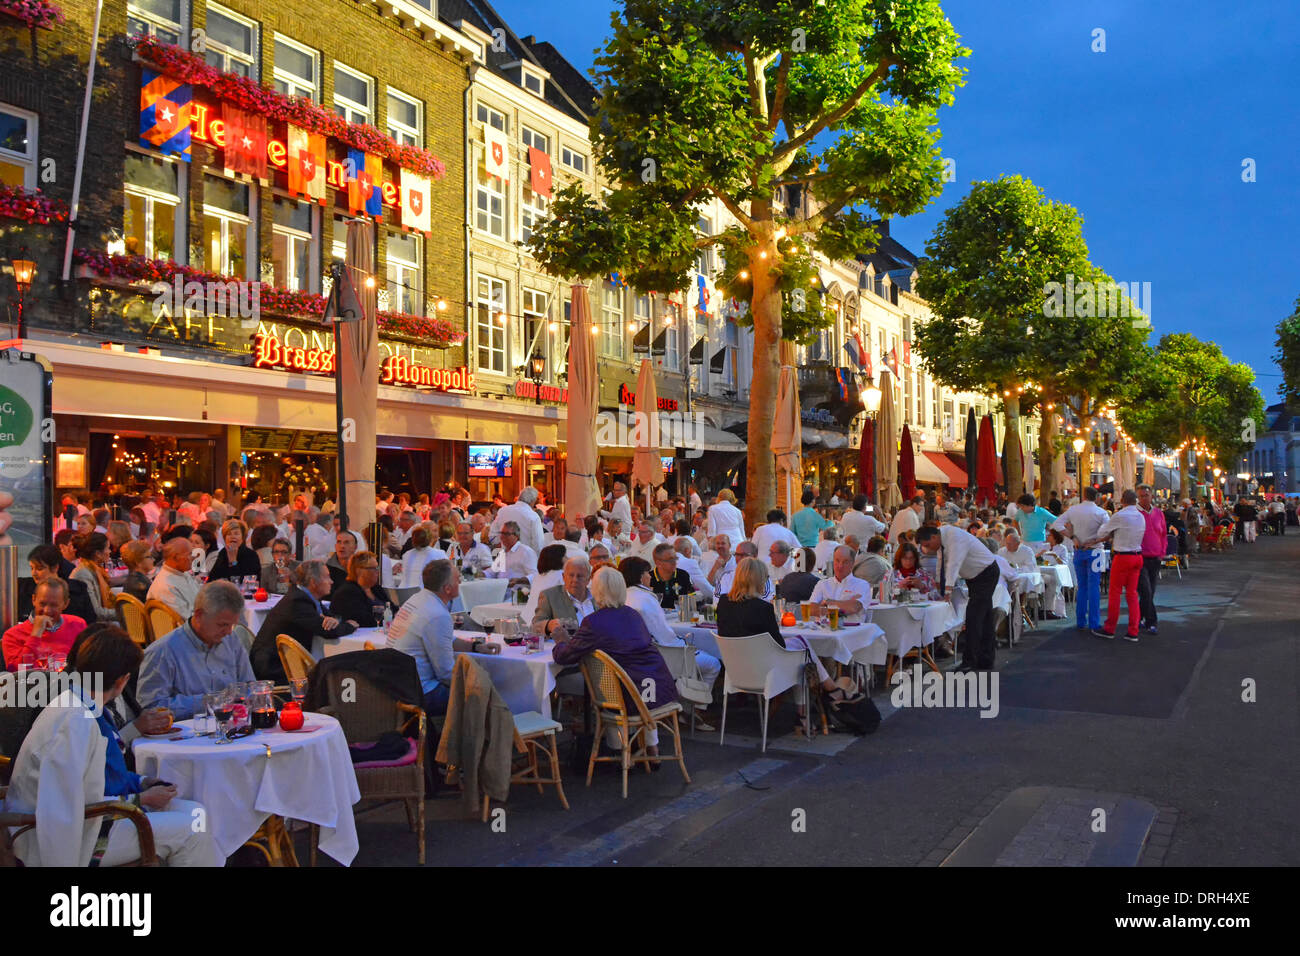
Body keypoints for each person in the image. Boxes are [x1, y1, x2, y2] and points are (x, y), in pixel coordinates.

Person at [5, 626, 219, 866]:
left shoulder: (79, 704)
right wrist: (139, 800)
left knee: (197, 813)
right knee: (194, 829)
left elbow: (87, 786)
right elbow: (63, 810)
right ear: (121, 681)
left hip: (86, 820)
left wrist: (140, 784)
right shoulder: (75, 721)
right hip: (68, 840)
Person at [551, 567, 678, 757]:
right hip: (659, 688)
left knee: (607, 684)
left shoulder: (594, 622)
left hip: (627, 698)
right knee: (626, 678)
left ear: (596, 591)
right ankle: (651, 746)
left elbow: (565, 656)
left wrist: (561, 641)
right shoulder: (633, 615)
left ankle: (618, 748)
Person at [716, 558, 859, 710]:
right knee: (802, 652)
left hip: (735, 670)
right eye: (765, 577)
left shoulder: (723, 602)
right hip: (764, 672)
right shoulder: (763, 608)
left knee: (800, 646)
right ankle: (821, 698)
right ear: (757, 579)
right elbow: (778, 645)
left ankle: (823, 696)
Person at [389, 560, 496, 715]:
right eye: (457, 579)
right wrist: (479, 684)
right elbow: (446, 673)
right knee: (485, 696)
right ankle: (469, 739)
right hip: (421, 692)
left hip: (399, 686)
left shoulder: (417, 600)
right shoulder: (436, 614)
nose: (460, 581)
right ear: (447, 589)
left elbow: (447, 641)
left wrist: (475, 646)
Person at [138, 581, 255, 718]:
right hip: (185, 733)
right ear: (199, 616)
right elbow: (151, 708)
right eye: (222, 625)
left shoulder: (231, 641)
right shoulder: (163, 651)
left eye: (232, 625)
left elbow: (249, 686)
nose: (228, 632)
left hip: (233, 728)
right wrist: (207, 702)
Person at [249, 562, 358, 682]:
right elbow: (328, 631)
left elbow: (331, 619)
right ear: (313, 582)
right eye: (327, 577)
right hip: (273, 667)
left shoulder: (305, 596)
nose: (331, 581)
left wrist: (335, 620)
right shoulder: (297, 601)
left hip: (281, 662)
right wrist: (350, 625)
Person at [916, 524, 1000, 672]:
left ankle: (970, 661)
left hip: (986, 573)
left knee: (973, 617)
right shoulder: (942, 539)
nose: (928, 549)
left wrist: (947, 590)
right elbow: (941, 562)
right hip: (975, 576)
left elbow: (953, 564)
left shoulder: (955, 536)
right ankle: (985, 659)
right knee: (984, 618)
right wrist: (938, 583)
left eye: (928, 545)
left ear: (934, 537)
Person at [1081, 488, 1146, 642]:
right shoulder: (1140, 516)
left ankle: (1110, 628)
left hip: (1123, 557)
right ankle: (1133, 630)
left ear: (1122, 500)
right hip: (1137, 555)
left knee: (1115, 593)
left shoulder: (1120, 515)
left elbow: (1102, 532)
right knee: (1132, 594)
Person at [1051, 486, 1110, 633]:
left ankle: (1080, 620)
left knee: (1082, 586)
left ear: (1083, 495)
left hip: (1078, 550)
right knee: (1094, 586)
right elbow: (1108, 531)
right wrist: (1096, 539)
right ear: (1096, 497)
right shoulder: (1101, 512)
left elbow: (1056, 524)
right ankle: (1094, 622)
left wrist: (1072, 537)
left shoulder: (1073, 510)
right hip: (1095, 550)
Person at [3, 577, 87, 671]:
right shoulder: (13, 635)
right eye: (42, 604)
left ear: (65, 604)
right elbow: (16, 672)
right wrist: (35, 635)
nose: (47, 611)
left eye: (54, 605)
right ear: (34, 600)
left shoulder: (77, 625)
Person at [17, 544, 97, 624]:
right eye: (32, 568)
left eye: (39, 568)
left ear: (55, 567)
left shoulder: (78, 590)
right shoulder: (23, 587)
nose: (34, 573)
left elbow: (90, 621)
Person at [329, 552, 399, 628]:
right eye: (373, 568)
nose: (378, 571)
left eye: (377, 567)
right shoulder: (348, 592)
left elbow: (393, 608)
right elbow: (365, 620)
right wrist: (390, 617)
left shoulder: (375, 588)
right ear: (359, 571)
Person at [532, 555, 595, 635]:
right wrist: (549, 625)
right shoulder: (549, 596)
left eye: (580, 576)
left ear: (588, 580)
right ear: (563, 577)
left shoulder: (598, 597)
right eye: (571, 575)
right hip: (568, 645)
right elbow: (535, 626)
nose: (575, 580)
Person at [1135, 484, 1167, 636]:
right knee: (1146, 591)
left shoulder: (1159, 514)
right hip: (1140, 557)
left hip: (1155, 557)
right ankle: (1151, 622)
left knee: (1150, 592)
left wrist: (1162, 552)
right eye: (1141, 496)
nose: (1144, 498)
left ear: (1151, 496)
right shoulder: (1134, 514)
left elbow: (1163, 535)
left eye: (1146, 495)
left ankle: (1139, 617)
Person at [809, 545, 876, 617]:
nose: (840, 566)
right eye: (837, 561)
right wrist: (844, 606)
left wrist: (826, 602)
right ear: (833, 561)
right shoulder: (822, 584)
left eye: (845, 562)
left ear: (853, 564)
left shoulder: (862, 585)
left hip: (852, 628)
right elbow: (811, 610)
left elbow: (853, 607)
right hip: (823, 627)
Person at [67, 532, 116, 624]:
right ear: (97, 553)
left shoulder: (94, 569)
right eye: (108, 548)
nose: (110, 552)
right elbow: (96, 612)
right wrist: (123, 614)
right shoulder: (84, 574)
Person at [521, 544, 568, 626]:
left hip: (527, 619)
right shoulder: (561, 575)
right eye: (565, 555)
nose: (568, 558)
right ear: (558, 559)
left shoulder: (538, 576)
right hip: (544, 622)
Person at [491, 486, 545, 553]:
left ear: (519, 497)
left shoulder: (503, 511)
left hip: (506, 557)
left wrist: (503, 545)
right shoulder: (533, 516)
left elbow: (492, 535)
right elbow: (539, 544)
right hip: (526, 558)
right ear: (532, 501)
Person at [207, 518, 261, 584]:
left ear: (242, 537)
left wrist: (233, 561)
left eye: (236, 533)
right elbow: (212, 578)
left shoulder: (250, 555)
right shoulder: (223, 553)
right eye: (229, 534)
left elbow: (244, 582)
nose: (232, 536)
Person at [648, 542, 697, 610]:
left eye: (675, 558)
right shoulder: (648, 578)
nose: (675, 562)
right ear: (658, 563)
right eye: (670, 559)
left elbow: (691, 602)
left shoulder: (683, 575)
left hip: (680, 618)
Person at [118, 539, 154, 604]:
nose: (153, 559)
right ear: (138, 562)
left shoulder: (132, 579)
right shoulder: (142, 585)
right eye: (149, 557)